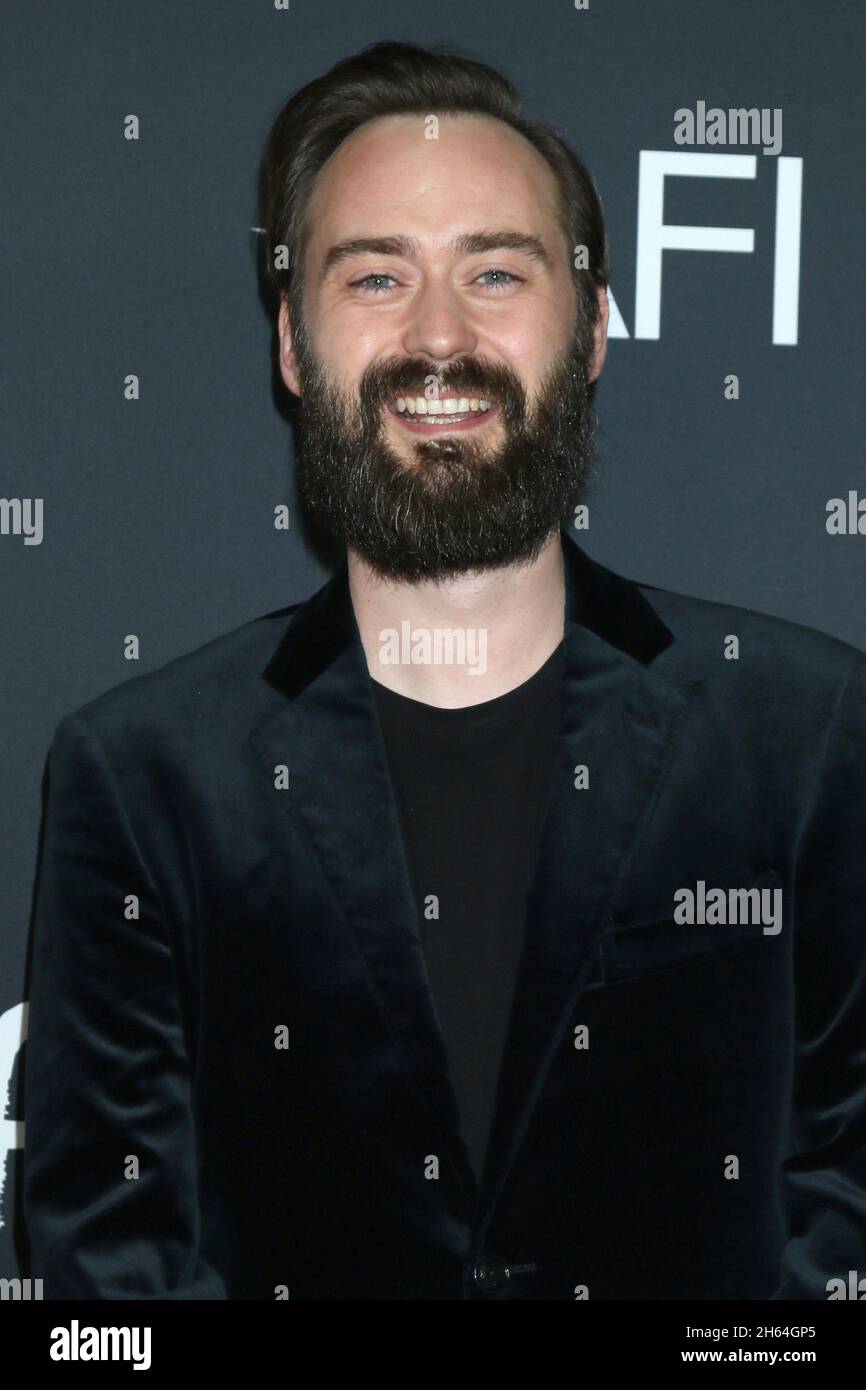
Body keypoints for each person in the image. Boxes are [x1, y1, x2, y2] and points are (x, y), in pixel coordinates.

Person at [23, 40, 866, 1300]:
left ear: (588, 331)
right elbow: (107, 1266)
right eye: (374, 276)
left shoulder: (806, 735)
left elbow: (846, 1192)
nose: (438, 336)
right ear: (293, 352)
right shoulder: (142, 778)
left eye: (494, 270)